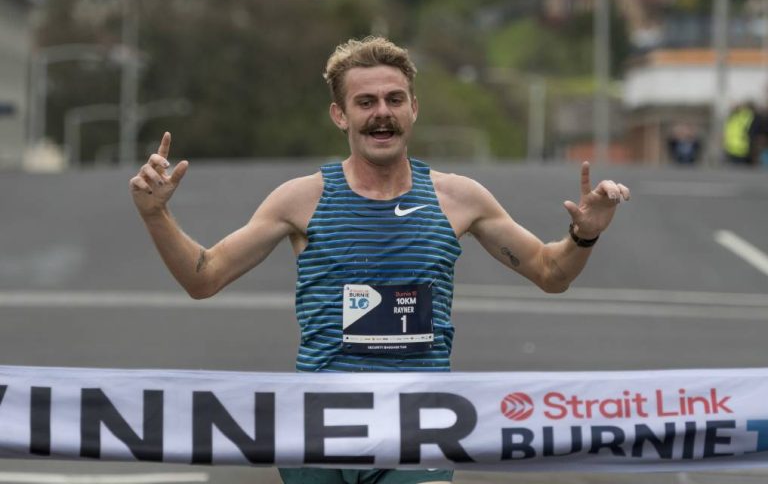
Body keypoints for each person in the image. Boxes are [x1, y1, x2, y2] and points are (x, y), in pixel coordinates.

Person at [129, 36, 630, 484]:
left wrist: (582, 236)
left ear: (414, 108)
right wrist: (156, 216)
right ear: (340, 115)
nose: (381, 113)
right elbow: (205, 277)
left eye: (393, 100)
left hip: (419, 424)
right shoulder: (300, 199)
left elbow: (550, 272)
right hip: (321, 429)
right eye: (365, 102)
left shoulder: (460, 198)